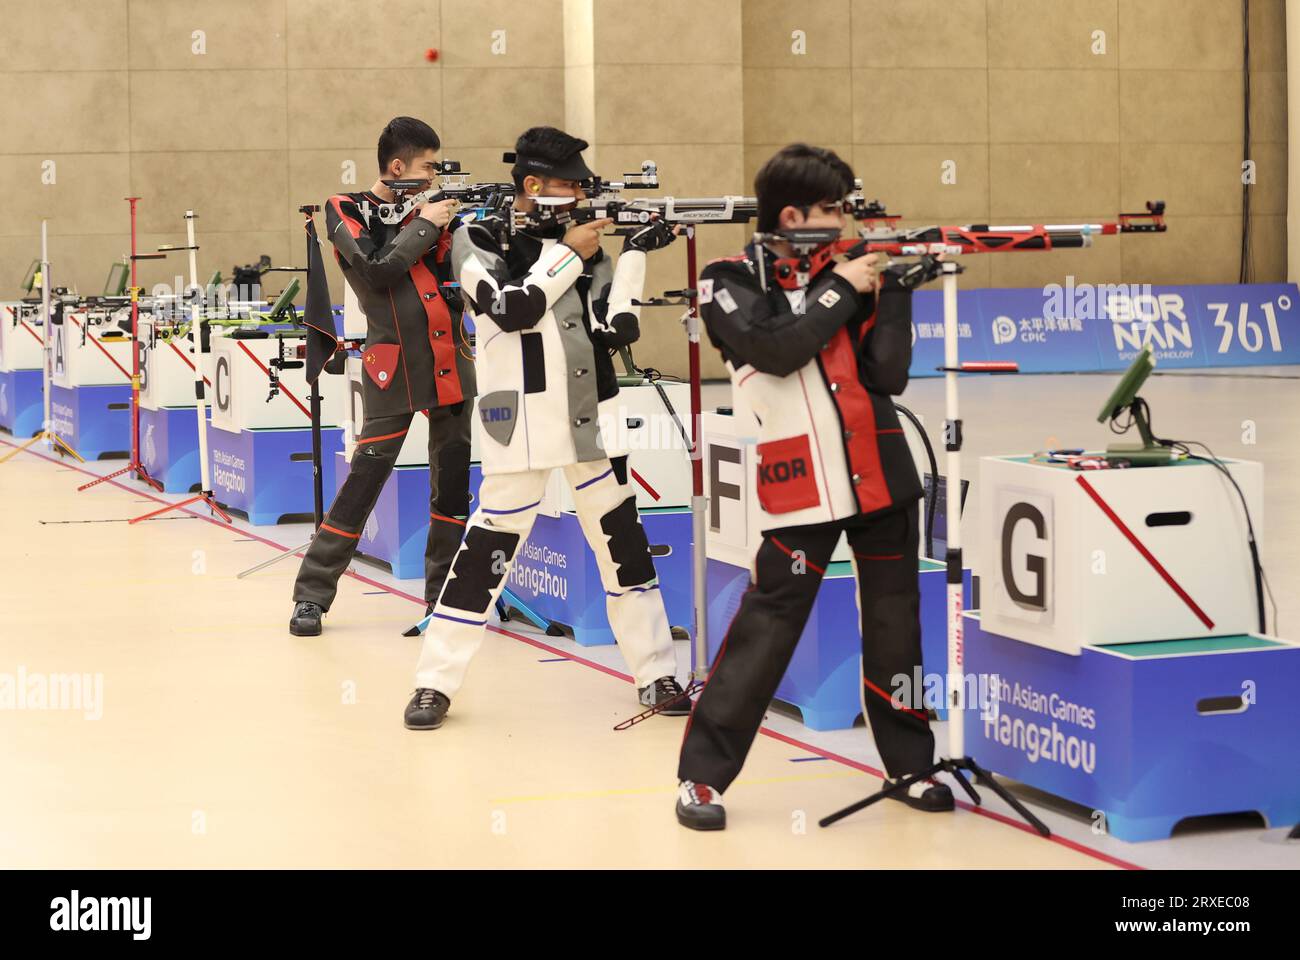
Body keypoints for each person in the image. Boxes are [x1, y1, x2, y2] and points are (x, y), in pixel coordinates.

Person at [674, 144, 952, 830]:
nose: (844, 220)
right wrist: (845, 289)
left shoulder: (848, 273)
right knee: (767, 629)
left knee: (896, 628)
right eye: (832, 209)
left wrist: (897, 296)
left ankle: (910, 765)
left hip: (882, 476)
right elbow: (775, 348)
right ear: (793, 215)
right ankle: (701, 780)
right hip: (802, 484)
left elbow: (886, 377)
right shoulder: (726, 279)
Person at [404, 125, 687, 730]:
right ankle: (434, 682)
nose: (581, 197)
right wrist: (572, 254)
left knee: (624, 551)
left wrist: (632, 253)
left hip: (593, 423)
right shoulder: (476, 238)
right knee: (482, 560)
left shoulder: (581, 246)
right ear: (532, 185)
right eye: (569, 186)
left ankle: (656, 670)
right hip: (520, 424)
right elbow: (509, 308)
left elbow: (617, 331)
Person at [289, 117, 474, 637]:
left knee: (452, 489)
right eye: (428, 167)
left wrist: (455, 225)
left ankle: (445, 601)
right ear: (397, 168)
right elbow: (374, 269)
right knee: (362, 484)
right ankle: (312, 595)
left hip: (452, 366)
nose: (436, 178)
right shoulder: (344, 208)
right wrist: (426, 224)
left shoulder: (433, 212)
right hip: (393, 371)